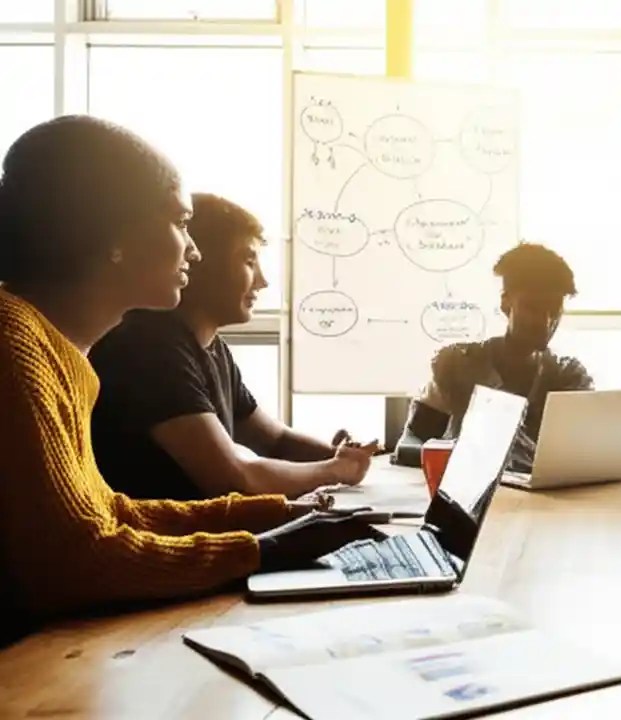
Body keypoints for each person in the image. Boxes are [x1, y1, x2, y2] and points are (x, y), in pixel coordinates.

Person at [0, 117, 378, 643]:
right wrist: (264, 549)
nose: (192, 251)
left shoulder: (50, 347)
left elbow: (110, 511)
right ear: (114, 234)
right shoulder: (13, 345)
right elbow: (74, 563)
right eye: (181, 223)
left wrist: (275, 517)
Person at [90, 193, 377, 501]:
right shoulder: (150, 349)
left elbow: (274, 439)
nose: (263, 281)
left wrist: (339, 456)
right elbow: (235, 477)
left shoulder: (211, 348)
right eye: (248, 260)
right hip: (163, 543)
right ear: (202, 261)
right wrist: (335, 471)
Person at [395, 242, 593, 472]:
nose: (545, 321)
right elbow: (410, 443)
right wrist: (459, 455)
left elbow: (584, 452)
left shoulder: (568, 378)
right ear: (505, 302)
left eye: (554, 309)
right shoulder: (458, 365)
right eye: (533, 308)